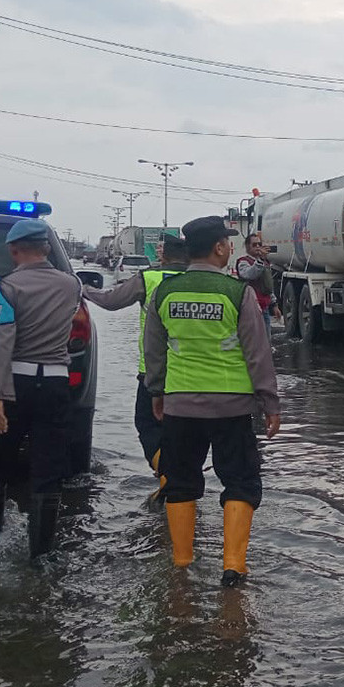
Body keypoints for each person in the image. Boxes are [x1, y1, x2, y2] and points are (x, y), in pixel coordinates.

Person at [144, 216, 282, 587]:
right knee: (239, 481)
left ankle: (181, 563)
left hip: (181, 405)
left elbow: (154, 351)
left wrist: (157, 392)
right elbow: (258, 354)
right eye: (227, 243)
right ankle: (234, 567)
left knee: (180, 481)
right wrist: (270, 403)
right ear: (219, 248)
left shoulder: (164, 293)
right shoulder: (237, 293)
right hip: (232, 408)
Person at [0, 219, 82, 558]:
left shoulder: (5, 287)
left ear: (13, 250)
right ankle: (40, 556)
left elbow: (1, 345)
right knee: (48, 471)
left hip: (15, 385)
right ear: (47, 248)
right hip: (55, 384)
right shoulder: (71, 284)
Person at [82, 237, 189, 505]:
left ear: (164, 257)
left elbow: (111, 301)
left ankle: (169, 478)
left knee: (148, 426)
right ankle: (180, 484)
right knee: (184, 433)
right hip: (194, 375)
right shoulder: (201, 281)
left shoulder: (149, 278)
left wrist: (84, 290)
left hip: (154, 373)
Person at [235, 232, 281, 338]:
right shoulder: (243, 262)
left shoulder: (264, 263)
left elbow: (268, 285)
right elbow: (250, 274)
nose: (257, 247)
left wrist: (274, 305)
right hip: (250, 309)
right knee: (253, 339)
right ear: (247, 246)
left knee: (266, 339)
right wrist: (260, 260)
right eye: (254, 245)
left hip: (264, 307)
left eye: (259, 244)